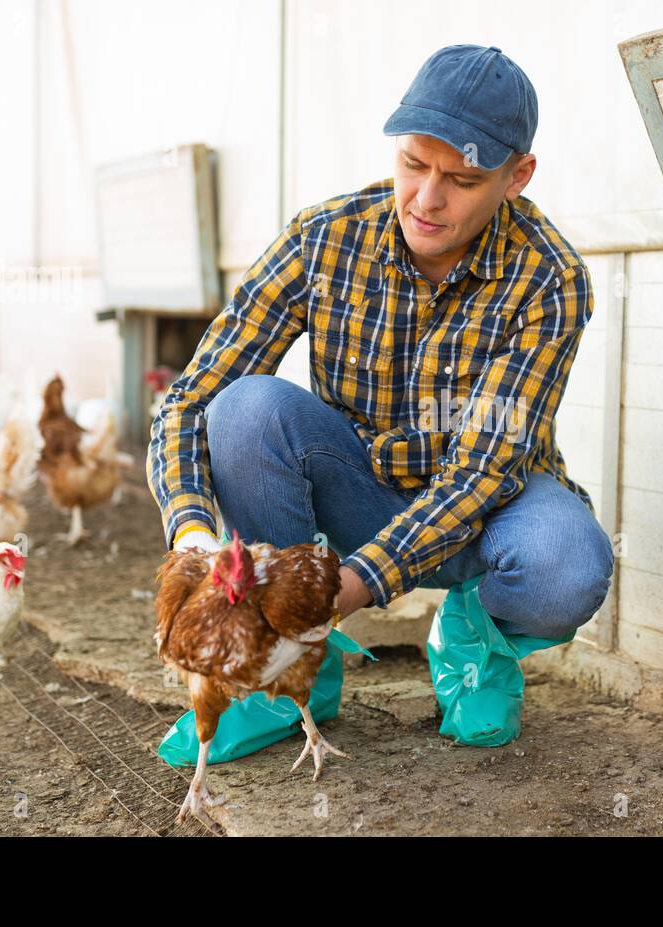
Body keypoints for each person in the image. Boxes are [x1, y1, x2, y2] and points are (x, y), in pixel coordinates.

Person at [147, 43, 614, 650]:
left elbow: (482, 471)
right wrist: (193, 538)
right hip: (356, 486)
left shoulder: (549, 278)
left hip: (490, 506)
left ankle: (471, 641)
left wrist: (348, 587)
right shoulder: (324, 239)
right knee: (242, 409)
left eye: (463, 180)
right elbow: (192, 400)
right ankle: (284, 667)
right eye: (414, 164)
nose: (426, 200)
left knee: (565, 572)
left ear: (516, 178)